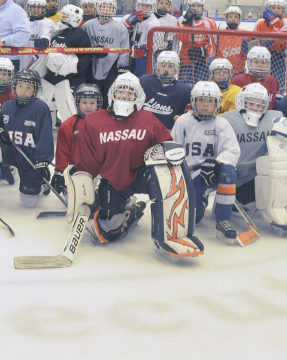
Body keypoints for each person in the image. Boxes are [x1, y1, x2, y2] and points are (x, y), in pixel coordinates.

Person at [73, 73, 173, 245]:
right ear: (113, 93)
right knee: (108, 232)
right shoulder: (93, 120)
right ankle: (131, 211)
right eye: (121, 91)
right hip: (114, 179)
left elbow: (167, 146)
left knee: (163, 186)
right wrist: (87, 190)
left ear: (137, 96)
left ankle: (165, 234)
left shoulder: (147, 118)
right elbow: (86, 159)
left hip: (143, 175)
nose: (125, 95)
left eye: (130, 92)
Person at [221, 83, 287, 233]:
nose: (255, 108)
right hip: (234, 177)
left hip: (259, 177)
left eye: (260, 104)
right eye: (251, 103)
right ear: (242, 102)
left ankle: (284, 207)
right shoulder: (228, 120)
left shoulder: (274, 118)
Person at [171, 81, 243, 243]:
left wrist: (216, 162)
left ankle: (223, 219)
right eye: (201, 100)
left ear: (217, 104)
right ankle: (200, 200)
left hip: (213, 172)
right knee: (194, 218)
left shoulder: (221, 124)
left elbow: (232, 150)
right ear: (194, 101)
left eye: (210, 102)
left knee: (229, 172)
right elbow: (174, 149)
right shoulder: (183, 121)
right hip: (191, 176)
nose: (205, 105)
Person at [0, 69, 55, 208]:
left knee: (29, 202)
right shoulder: (8, 106)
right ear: (14, 86)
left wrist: (43, 161)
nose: (23, 91)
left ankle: (41, 182)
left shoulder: (40, 107)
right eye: (20, 86)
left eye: (28, 87)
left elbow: (46, 136)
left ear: (35, 89)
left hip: (30, 157)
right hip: (12, 151)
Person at [40, 4, 92, 122]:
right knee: (48, 105)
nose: (62, 18)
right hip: (51, 78)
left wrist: (72, 68)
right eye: (62, 15)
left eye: (66, 16)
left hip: (69, 80)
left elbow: (86, 56)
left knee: (68, 108)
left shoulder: (80, 35)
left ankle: (71, 129)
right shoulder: (57, 32)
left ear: (75, 19)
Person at [52, 84, 104, 196]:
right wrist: (60, 172)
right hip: (76, 172)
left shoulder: (105, 125)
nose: (88, 107)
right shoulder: (67, 126)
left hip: (99, 173)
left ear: (98, 104)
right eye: (84, 102)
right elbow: (62, 152)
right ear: (77, 103)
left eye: (92, 103)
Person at [84, 0, 129, 98]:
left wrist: (122, 67)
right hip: (91, 64)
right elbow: (82, 44)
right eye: (103, 7)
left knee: (109, 95)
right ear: (98, 7)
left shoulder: (120, 28)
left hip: (112, 66)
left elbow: (124, 50)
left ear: (114, 9)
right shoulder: (88, 25)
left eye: (109, 7)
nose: (106, 10)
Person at [139, 50, 191, 132]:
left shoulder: (184, 90)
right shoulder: (145, 81)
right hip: (144, 130)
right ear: (158, 68)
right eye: (163, 65)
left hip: (169, 133)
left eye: (170, 66)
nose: (166, 70)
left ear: (176, 69)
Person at [253, 0, 287, 85]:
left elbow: (281, 40)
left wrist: (273, 22)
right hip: (261, 60)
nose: (275, 10)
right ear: (268, 9)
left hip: (280, 59)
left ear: (283, 10)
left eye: (279, 8)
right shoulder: (259, 23)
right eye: (273, 8)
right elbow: (253, 42)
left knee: (280, 86)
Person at [178, 0, 216, 84]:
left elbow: (213, 43)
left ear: (203, 8)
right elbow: (183, 39)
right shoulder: (181, 21)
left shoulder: (209, 22)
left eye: (199, 6)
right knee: (186, 85)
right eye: (192, 6)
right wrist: (187, 22)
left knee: (202, 85)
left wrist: (209, 58)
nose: (195, 8)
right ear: (188, 7)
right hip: (186, 59)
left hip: (203, 60)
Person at [218, 5, 249, 76]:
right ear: (226, 18)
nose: (233, 19)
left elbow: (252, 55)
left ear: (240, 19)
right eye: (230, 16)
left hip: (239, 72)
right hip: (222, 71)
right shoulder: (219, 33)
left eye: (236, 17)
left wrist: (248, 50)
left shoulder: (246, 34)